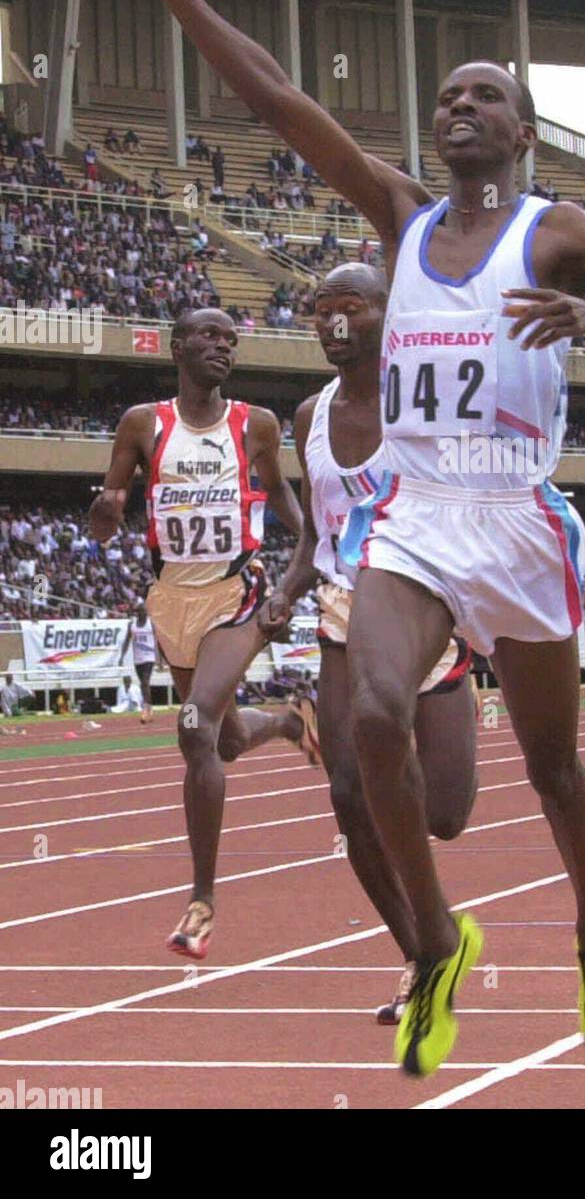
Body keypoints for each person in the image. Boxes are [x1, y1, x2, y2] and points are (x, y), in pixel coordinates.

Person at [88, 0, 585, 1076]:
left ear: (524, 131)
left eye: (483, 95)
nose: (457, 107)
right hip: (422, 510)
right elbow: (278, 96)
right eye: (445, 95)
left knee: (554, 770)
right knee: (372, 711)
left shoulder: (558, 231)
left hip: (519, 517)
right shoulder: (401, 217)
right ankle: (436, 941)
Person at [258, 263, 478, 1026]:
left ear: (391, 314)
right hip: (345, 613)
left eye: (350, 309)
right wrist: (287, 589)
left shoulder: (427, 401)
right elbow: (317, 531)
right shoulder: (308, 415)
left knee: (444, 814)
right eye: (321, 311)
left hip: (425, 609)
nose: (333, 324)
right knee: (352, 798)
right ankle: (424, 953)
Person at [88, 306, 318, 961]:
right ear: (177, 347)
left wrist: (308, 555)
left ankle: (202, 901)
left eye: (231, 340)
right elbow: (105, 519)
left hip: (236, 592)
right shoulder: (143, 423)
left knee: (194, 728)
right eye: (209, 336)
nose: (223, 346)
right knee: (228, 740)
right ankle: (290, 721)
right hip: (172, 601)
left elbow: (282, 497)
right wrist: (104, 511)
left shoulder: (255, 424)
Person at [122, 600, 157, 723]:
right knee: (143, 683)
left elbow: (158, 640)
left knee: (145, 681)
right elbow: (127, 640)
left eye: (146, 611)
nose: (145, 613)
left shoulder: (150, 624)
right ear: (138, 613)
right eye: (142, 611)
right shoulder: (132, 625)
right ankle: (150, 709)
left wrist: (160, 659)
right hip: (138, 658)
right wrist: (121, 656)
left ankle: (145, 709)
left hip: (149, 657)